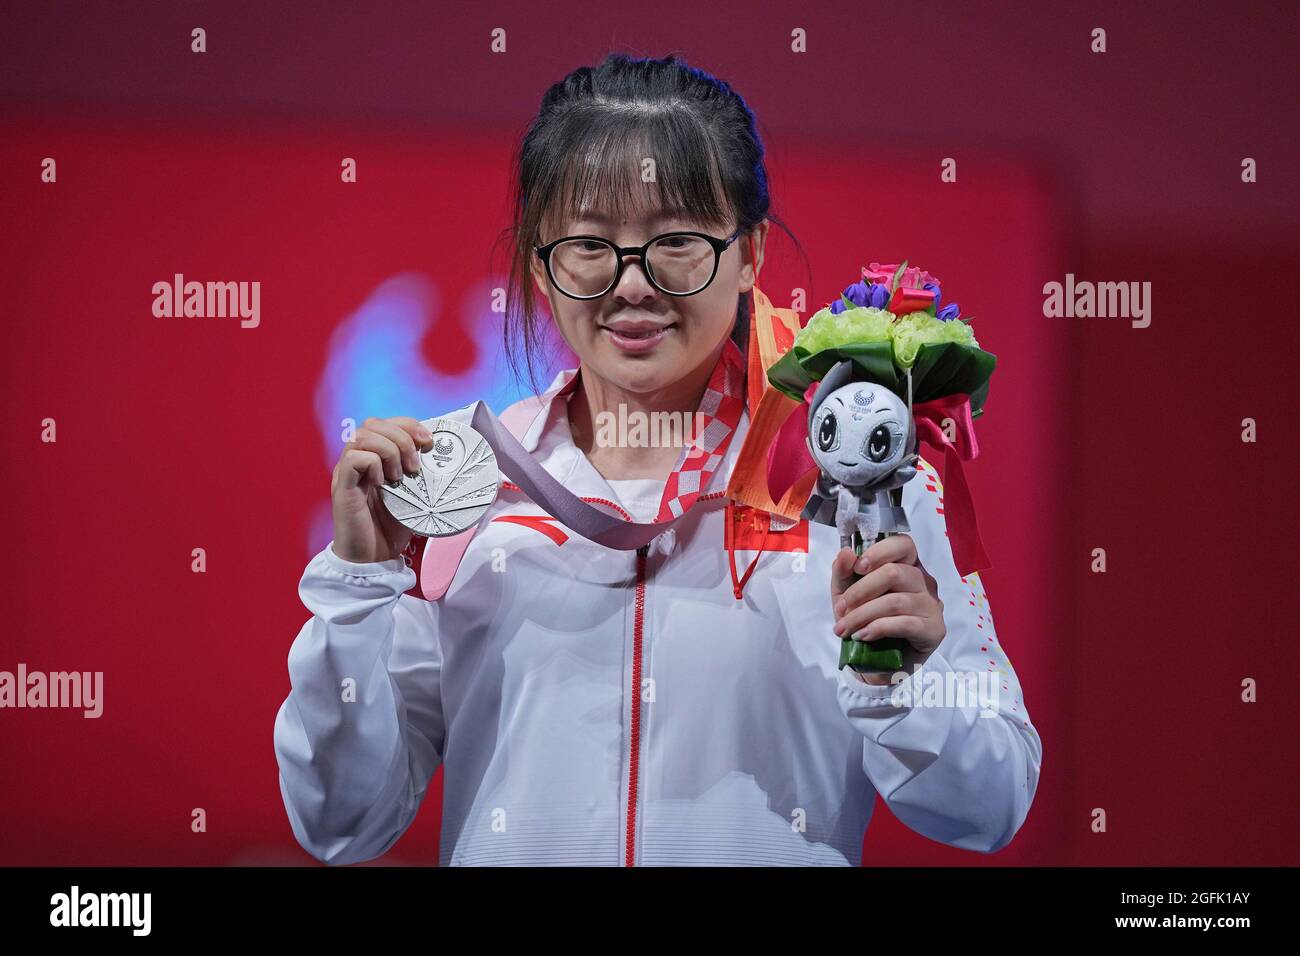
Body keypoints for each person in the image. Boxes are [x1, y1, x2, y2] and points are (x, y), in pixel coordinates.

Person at [272, 52, 1042, 866]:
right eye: (589, 244)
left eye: (675, 240)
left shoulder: (859, 481)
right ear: (541, 265)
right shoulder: (463, 484)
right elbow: (341, 825)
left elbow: (991, 804)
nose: (630, 285)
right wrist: (358, 584)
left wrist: (909, 684)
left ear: (750, 255)